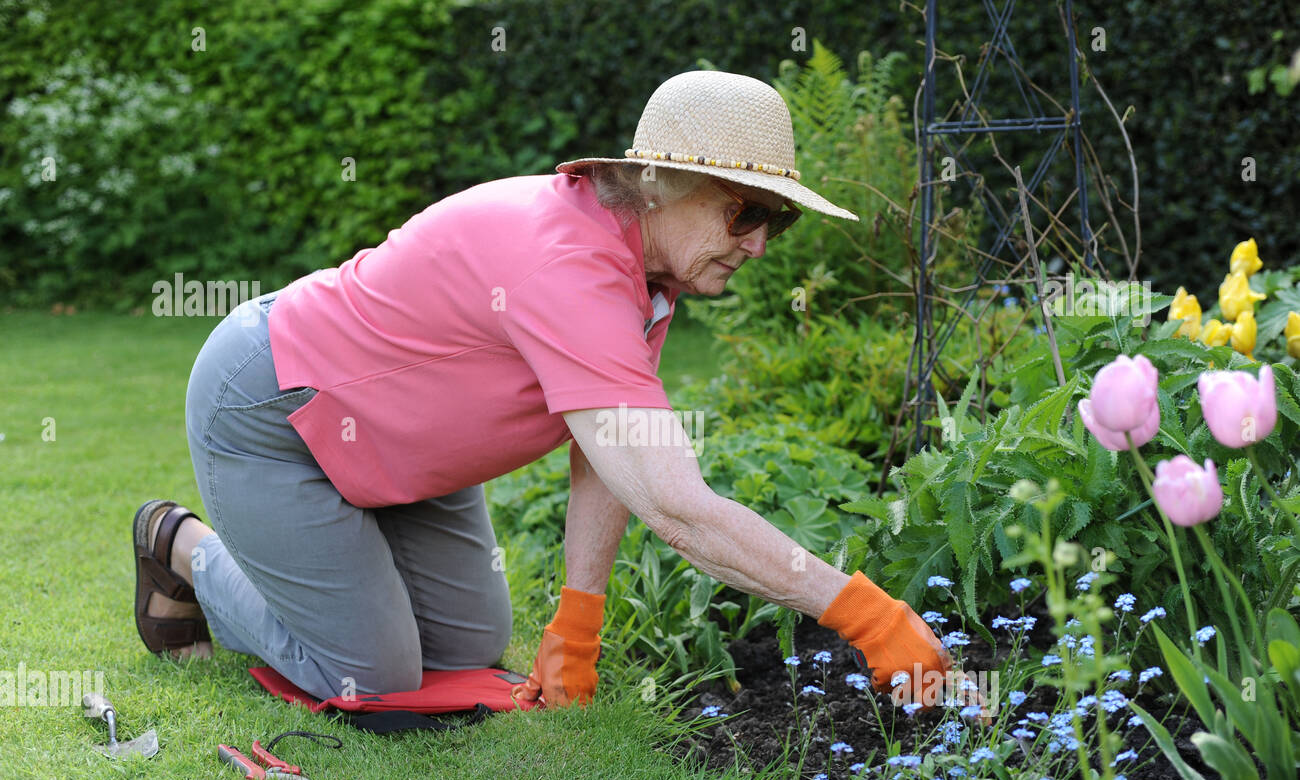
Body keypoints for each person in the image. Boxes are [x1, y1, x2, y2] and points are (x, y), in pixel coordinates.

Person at [132, 69, 953, 709]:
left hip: (402, 450)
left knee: (468, 649)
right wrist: (868, 616)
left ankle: (320, 558)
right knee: (371, 676)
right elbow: (675, 505)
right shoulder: (571, 266)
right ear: (663, 184)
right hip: (277, 407)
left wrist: (578, 625)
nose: (763, 244)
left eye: (781, 220)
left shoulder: (650, 273)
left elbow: (611, 455)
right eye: (747, 213)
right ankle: (183, 547)